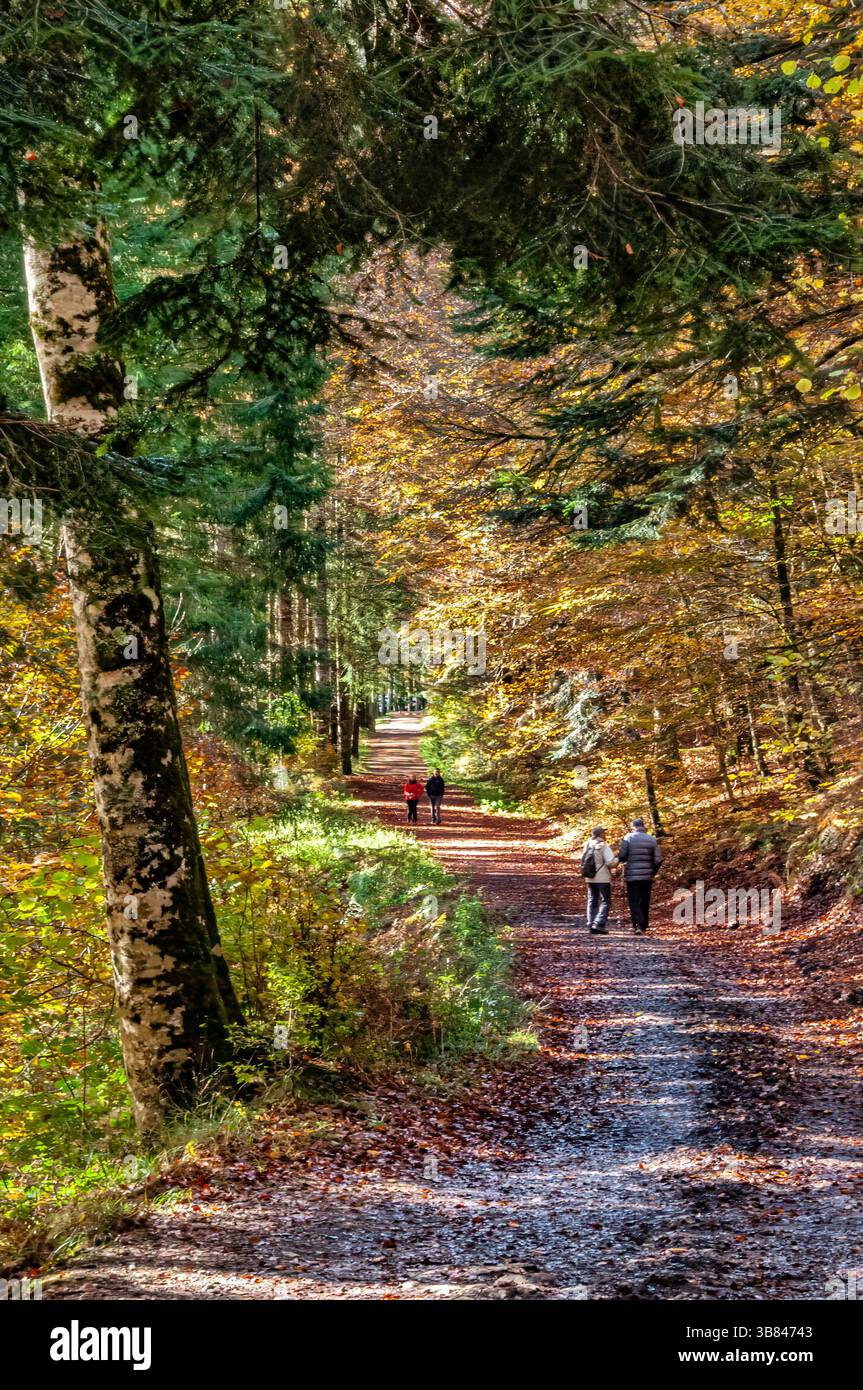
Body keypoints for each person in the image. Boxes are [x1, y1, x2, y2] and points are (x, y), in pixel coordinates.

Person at [617, 817, 662, 935]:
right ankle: (644, 924)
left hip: (632, 875)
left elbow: (622, 856)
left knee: (633, 900)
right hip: (647, 876)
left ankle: (637, 924)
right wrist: (653, 872)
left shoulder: (628, 838)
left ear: (633, 827)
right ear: (643, 826)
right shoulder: (652, 840)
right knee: (645, 899)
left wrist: (622, 860)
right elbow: (658, 860)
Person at [583, 826, 618, 934]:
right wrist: (618, 859)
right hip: (602, 878)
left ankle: (591, 922)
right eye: (604, 833)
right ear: (601, 834)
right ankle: (598, 923)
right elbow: (610, 862)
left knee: (592, 900)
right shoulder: (603, 845)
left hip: (590, 877)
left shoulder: (587, 844)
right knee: (605, 901)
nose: (605, 834)